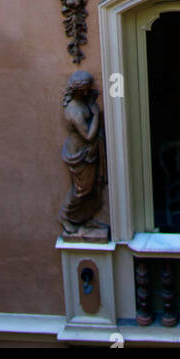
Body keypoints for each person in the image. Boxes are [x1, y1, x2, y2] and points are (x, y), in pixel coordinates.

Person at [60, 72, 108, 238]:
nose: (87, 93)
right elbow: (88, 136)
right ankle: (65, 217)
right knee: (81, 189)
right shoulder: (74, 111)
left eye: (89, 90)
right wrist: (95, 114)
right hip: (79, 154)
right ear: (76, 90)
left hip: (89, 152)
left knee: (92, 188)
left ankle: (85, 217)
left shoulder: (81, 102)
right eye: (84, 90)